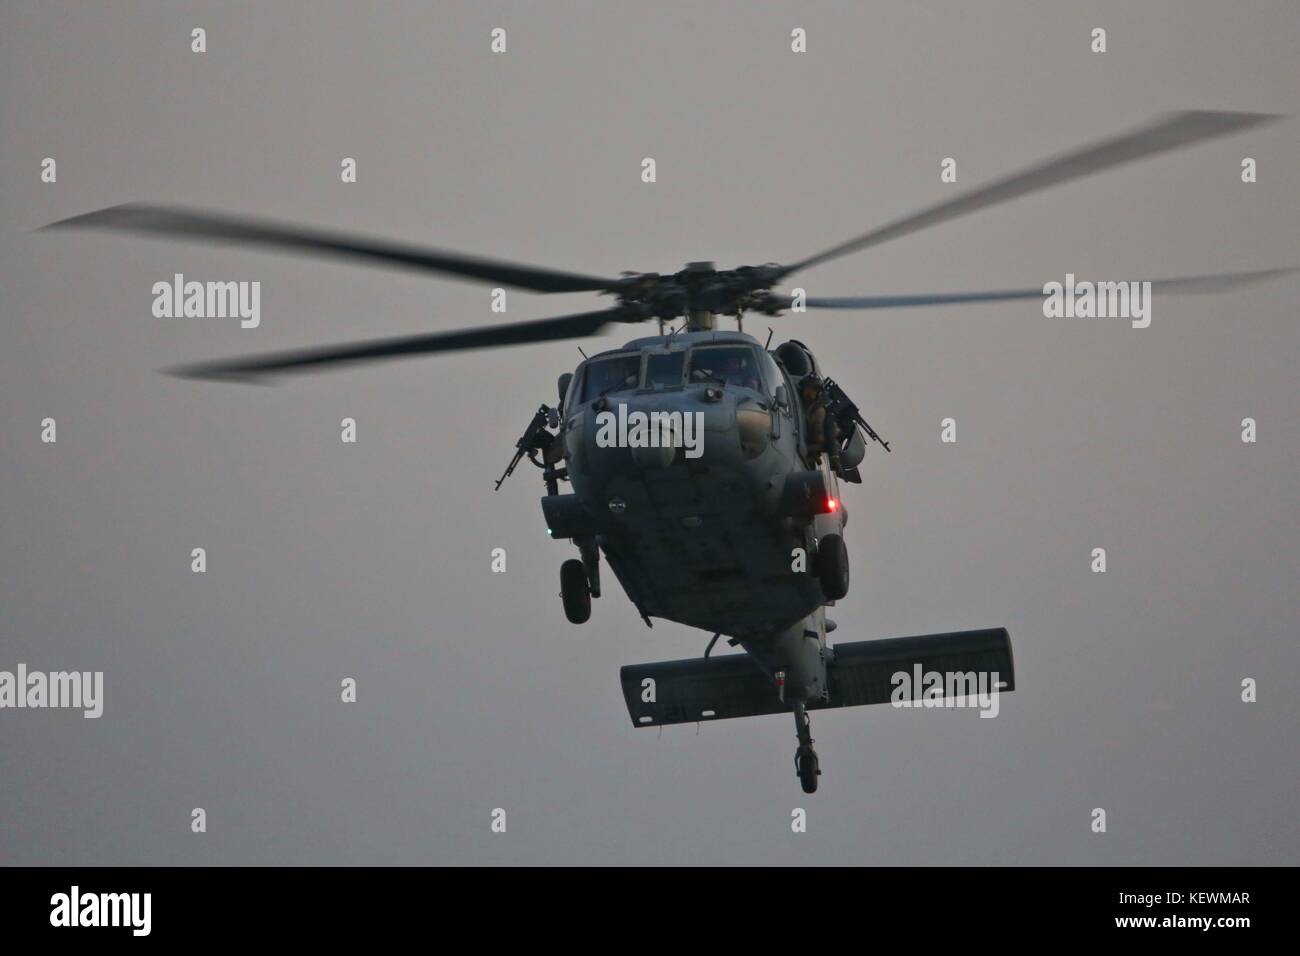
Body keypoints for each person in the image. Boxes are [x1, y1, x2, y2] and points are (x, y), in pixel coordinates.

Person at [800, 375, 834, 465]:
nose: (813, 393)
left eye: (815, 390)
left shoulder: (818, 410)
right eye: (812, 389)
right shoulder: (801, 403)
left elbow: (818, 438)